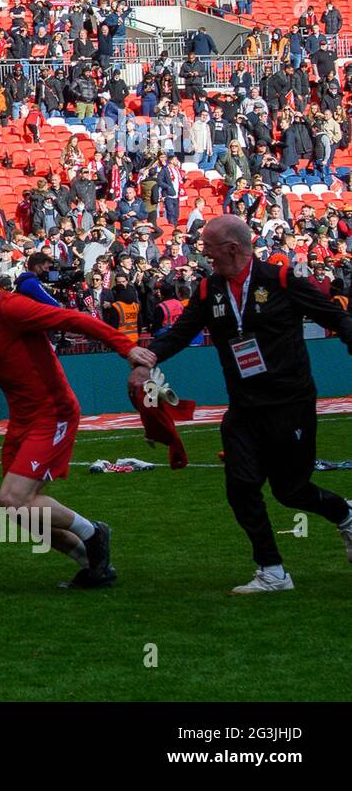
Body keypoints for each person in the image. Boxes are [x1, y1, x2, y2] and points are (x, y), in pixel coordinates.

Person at [136, 215, 352, 593]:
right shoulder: (208, 291)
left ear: (232, 248)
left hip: (290, 402)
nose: (204, 255)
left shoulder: (281, 280)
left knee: (291, 491)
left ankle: (345, 516)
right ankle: (272, 570)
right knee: (240, 486)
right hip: (244, 407)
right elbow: (181, 332)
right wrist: (149, 357)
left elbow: (336, 317)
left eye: (208, 248)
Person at [0, 250, 158, 589]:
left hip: (52, 412)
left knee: (14, 499)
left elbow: (71, 319)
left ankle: (94, 533)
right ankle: (94, 567)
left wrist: (126, 347)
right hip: (23, 418)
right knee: (18, 510)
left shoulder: (7, 306)